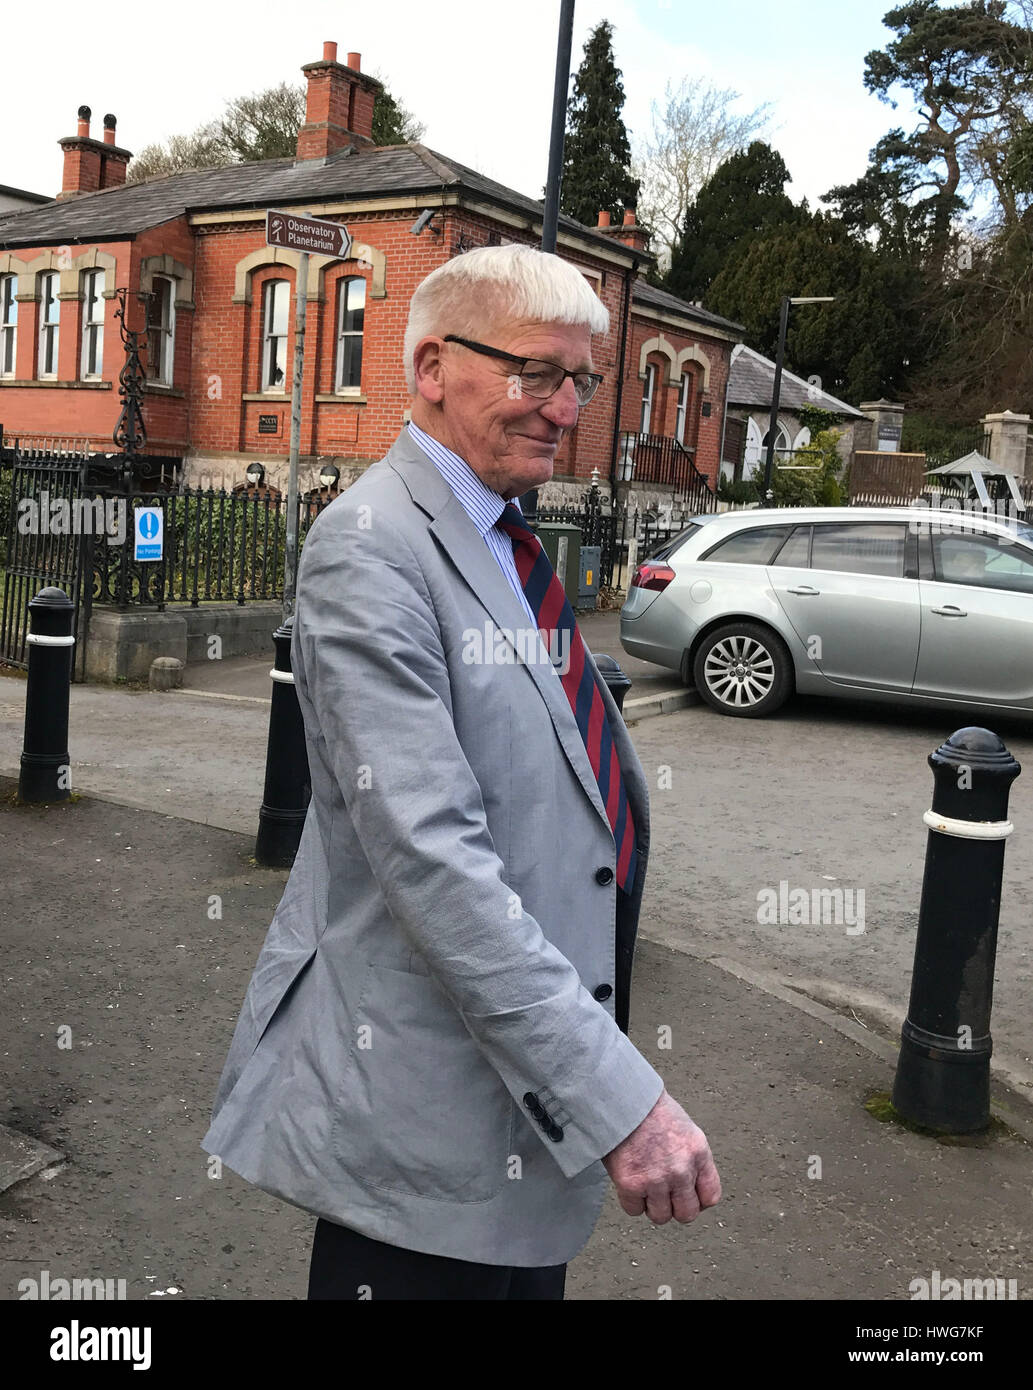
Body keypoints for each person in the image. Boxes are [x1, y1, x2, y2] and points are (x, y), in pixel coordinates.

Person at [201, 244, 720, 1300]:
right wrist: (618, 1096)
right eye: (537, 373)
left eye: (582, 380)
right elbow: (433, 859)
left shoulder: (503, 537)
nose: (565, 408)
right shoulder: (370, 548)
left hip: (516, 1114)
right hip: (421, 1130)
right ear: (432, 366)